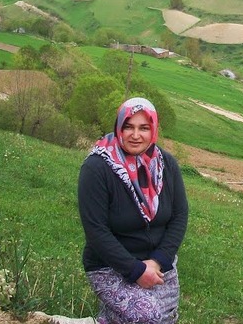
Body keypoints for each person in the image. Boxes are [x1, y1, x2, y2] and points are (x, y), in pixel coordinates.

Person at [78, 97, 189, 323]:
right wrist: (135, 270)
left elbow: (179, 216)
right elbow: (96, 230)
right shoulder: (97, 168)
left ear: (154, 130)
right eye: (128, 126)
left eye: (144, 128)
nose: (135, 135)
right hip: (110, 266)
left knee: (167, 318)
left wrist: (158, 261)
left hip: (159, 264)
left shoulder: (166, 165)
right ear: (119, 127)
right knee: (148, 317)